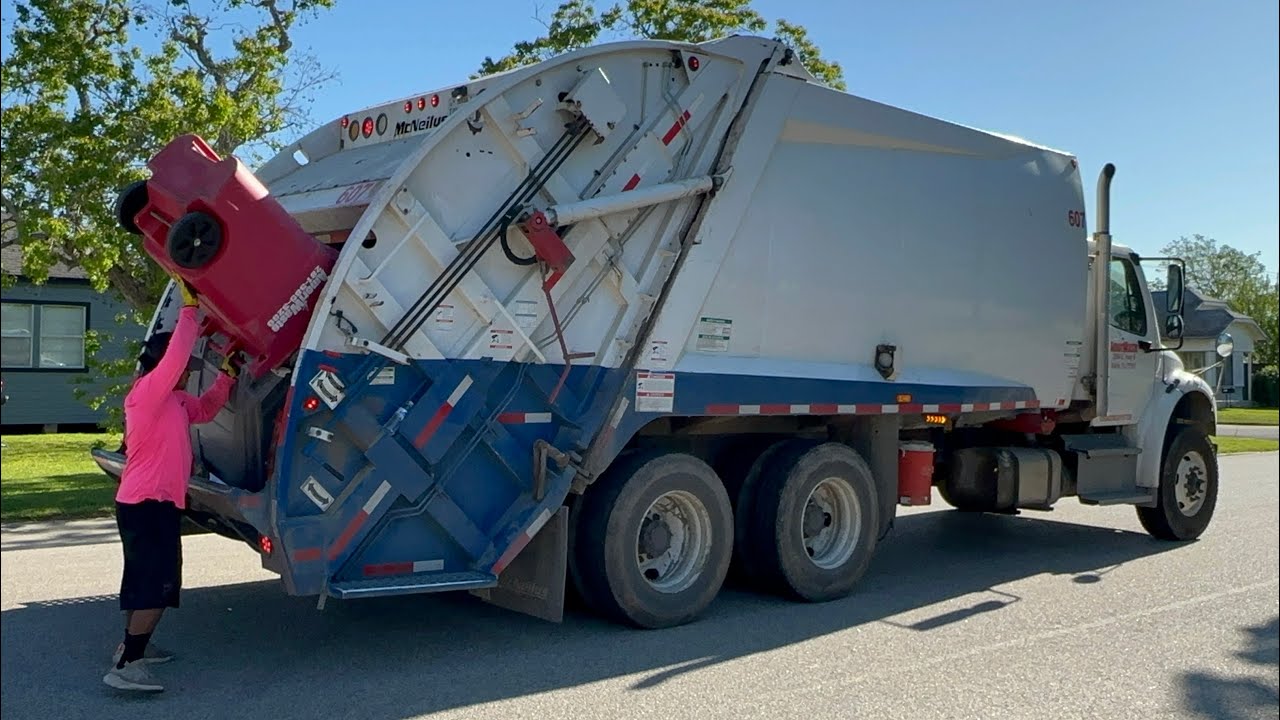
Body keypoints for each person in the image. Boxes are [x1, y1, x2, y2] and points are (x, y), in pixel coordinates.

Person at [104, 277, 239, 693]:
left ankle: (132, 645)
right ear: (163, 367)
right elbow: (178, 357)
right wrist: (189, 312)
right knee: (155, 584)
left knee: (144, 580)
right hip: (146, 505)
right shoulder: (145, 394)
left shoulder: (176, 402)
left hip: (153, 504)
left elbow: (206, 408)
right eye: (181, 370)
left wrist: (227, 378)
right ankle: (128, 665)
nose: (185, 375)